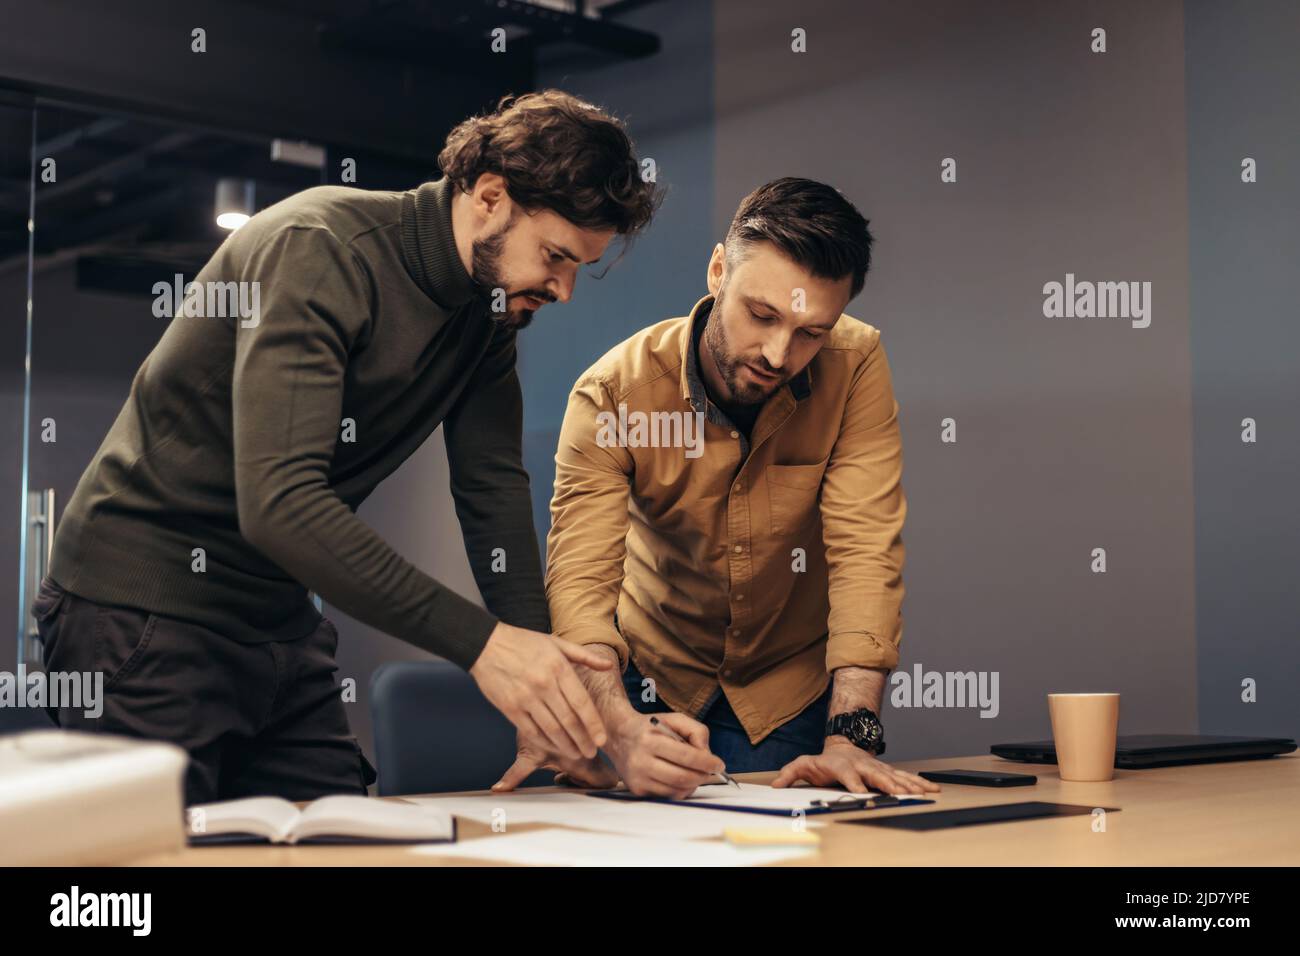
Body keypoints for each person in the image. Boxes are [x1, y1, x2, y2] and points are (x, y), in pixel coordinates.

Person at [35, 90, 660, 805]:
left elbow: (492, 491)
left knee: (345, 840)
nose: (564, 289)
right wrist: (489, 648)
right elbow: (280, 505)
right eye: (555, 256)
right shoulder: (321, 249)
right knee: (145, 865)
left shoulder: (488, 319)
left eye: (580, 265)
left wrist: (556, 698)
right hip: (138, 612)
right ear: (489, 197)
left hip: (276, 623)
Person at [495, 178, 940, 799]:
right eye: (762, 316)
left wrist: (852, 735)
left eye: (812, 332)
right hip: (647, 682)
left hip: (785, 690)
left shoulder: (857, 362)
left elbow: (866, 552)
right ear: (716, 272)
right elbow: (580, 586)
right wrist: (613, 727)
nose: (780, 354)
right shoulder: (613, 394)